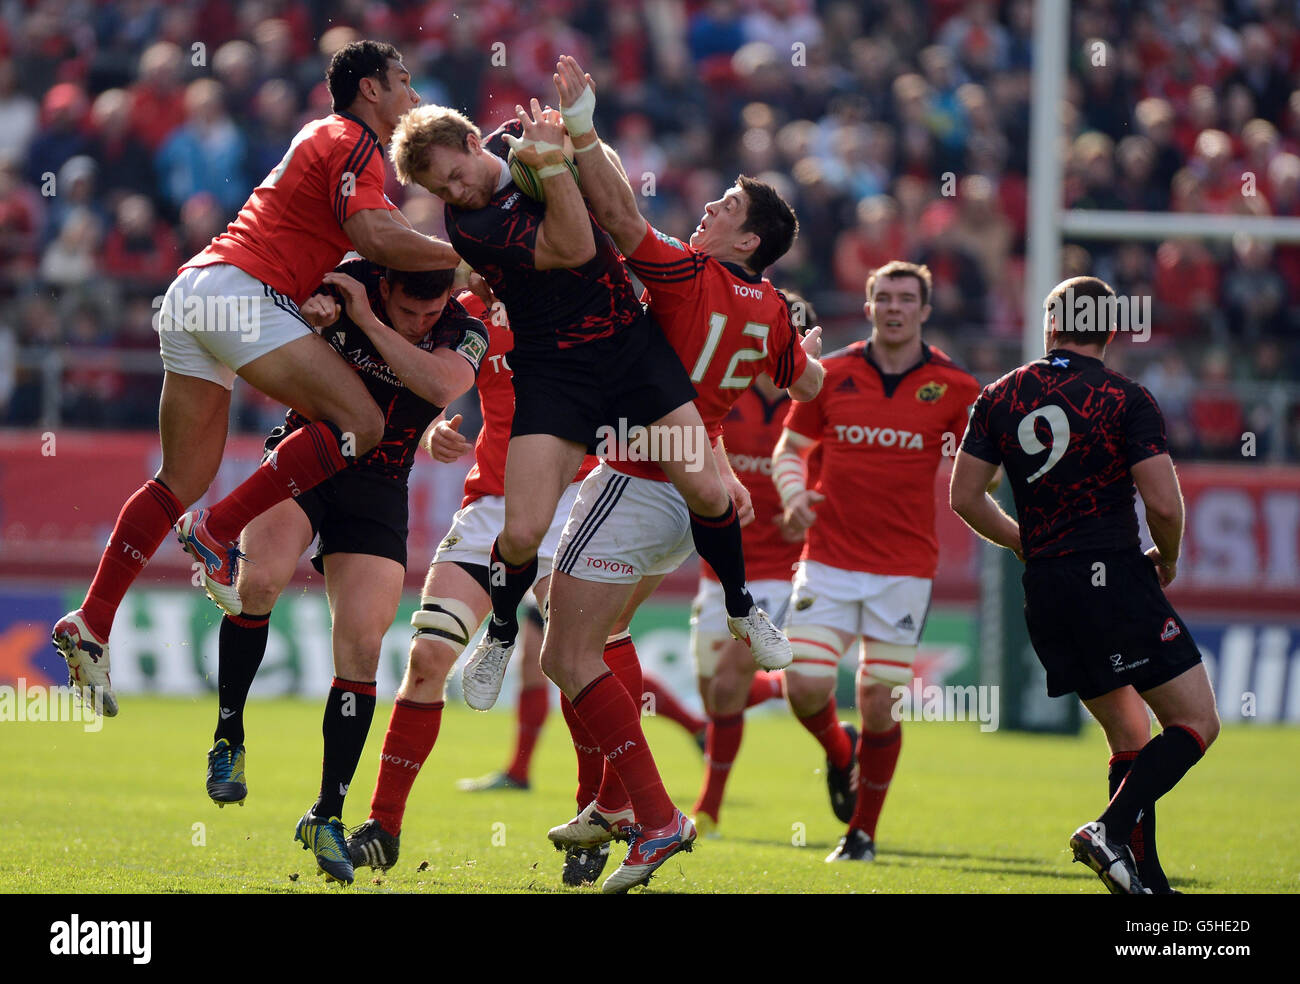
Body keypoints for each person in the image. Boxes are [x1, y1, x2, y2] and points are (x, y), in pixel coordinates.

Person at [52, 41, 460, 716]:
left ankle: (91, 622)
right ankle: (216, 531)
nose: (414, 99)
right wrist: (476, 261)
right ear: (368, 90)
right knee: (362, 423)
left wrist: (333, 289)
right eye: (404, 83)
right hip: (242, 293)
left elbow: (370, 236)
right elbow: (381, 240)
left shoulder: (328, 142)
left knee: (177, 478)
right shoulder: (353, 140)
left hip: (192, 292)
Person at [387, 96, 790, 724]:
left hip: (630, 348)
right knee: (520, 531)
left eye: (455, 175)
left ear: (472, 144)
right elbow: (576, 244)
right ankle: (498, 635)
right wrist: (552, 164)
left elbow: (614, 200)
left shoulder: (522, 137)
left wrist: (577, 129)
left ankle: (741, 608)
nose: (454, 193)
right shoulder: (470, 226)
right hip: (555, 369)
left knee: (709, 492)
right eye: (441, 189)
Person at [536, 56, 824, 893]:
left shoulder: (692, 276)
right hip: (686, 504)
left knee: (565, 653)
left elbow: (621, 215)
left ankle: (652, 817)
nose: (708, 208)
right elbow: (806, 383)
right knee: (601, 639)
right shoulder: (770, 308)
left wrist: (581, 130)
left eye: (726, 208)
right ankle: (615, 809)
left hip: (635, 474)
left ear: (748, 242)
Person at [205, 258, 486, 885]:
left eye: (429, 315)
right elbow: (282, 322)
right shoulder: (346, 277)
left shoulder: (462, 324)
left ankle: (328, 812)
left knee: (360, 648)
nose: (420, 324)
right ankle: (228, 737)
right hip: (305, 458)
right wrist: (312, 314)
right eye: (408, 312)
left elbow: (441, 385)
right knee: (258, 583)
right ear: (385, 282)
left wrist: (366, 320)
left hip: (379, 487)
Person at [950, 275, 1219, 895]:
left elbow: (965, 496)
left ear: (1050, 325)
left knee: (1129, 733)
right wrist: (1168, 559)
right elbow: (1165, 506)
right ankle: (1110, 828)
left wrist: (1025, 542)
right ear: (1113, 330)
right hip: (1113, 575)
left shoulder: (1000, 394)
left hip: (1046, 585)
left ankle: (1143, 879)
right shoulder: (1126, 398)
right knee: (1197, 722)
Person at [346, 287, 598, 874]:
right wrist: (436, 429)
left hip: (575, 502)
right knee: (429, 655)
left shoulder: (588, 294)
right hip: (493, 505)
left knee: (576, 666)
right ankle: (384, 824)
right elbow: (437, 381)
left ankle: (595, 821)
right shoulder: (466, 309)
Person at [772, 260, 980, 862]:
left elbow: (979, 472)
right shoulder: (831, 373)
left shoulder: (955, 387)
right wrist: (793, 495)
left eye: (905, 298)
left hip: (904, 570)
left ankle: (861, 833)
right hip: (829, 560)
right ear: (868, 307)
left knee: (878, 702)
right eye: (883, 297)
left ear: (924, 310)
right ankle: (842, 753)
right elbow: (793, 448)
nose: (894, 307)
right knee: (806, 685)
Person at [687, 294, 823, 838]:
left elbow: (837, 469)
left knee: (724, 688)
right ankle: (837, 737)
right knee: (714, 692)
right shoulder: (726, 391)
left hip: (779, 569)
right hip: (718, 567)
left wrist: (808, 505)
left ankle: (709, 810)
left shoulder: (817, 400)